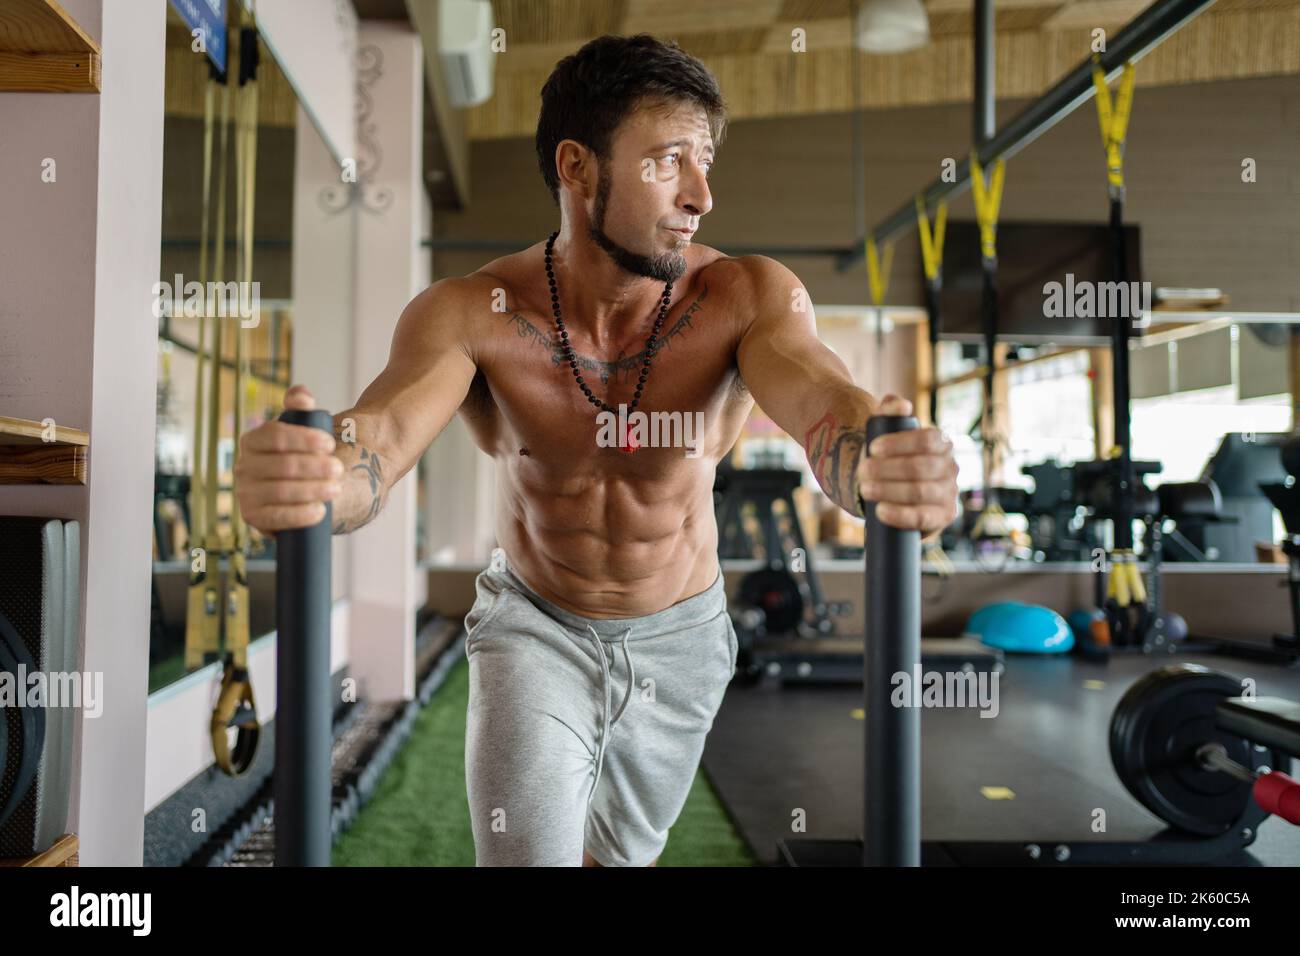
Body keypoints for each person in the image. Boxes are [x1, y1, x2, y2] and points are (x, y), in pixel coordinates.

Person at [235, 34, 959, 867]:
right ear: (577, 168)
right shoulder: (473, 313)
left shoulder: (745, 297)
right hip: (536, 627)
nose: (701, 195)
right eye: (668, 162)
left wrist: (878, 460)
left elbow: (822, 399)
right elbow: (382, 438)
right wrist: (322, 475)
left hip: (683, 639)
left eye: (706, 161)